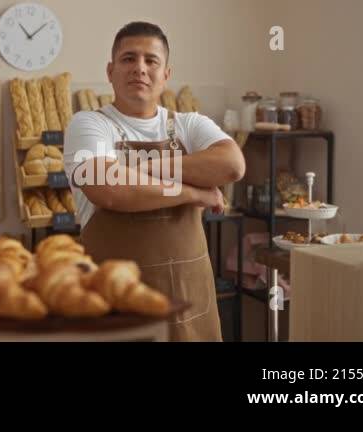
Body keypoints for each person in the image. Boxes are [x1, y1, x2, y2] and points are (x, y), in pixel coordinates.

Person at [64, 21, 245, 341]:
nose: (140, 68)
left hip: (190, 305)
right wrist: (191, 191)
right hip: (116, 305)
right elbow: (108, 189)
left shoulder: (189, 124)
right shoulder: (88, 124)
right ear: (110, 70)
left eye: (151, 60)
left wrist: (139, 167)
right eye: (128, 59)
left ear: (166, 74)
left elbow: (232, 166)